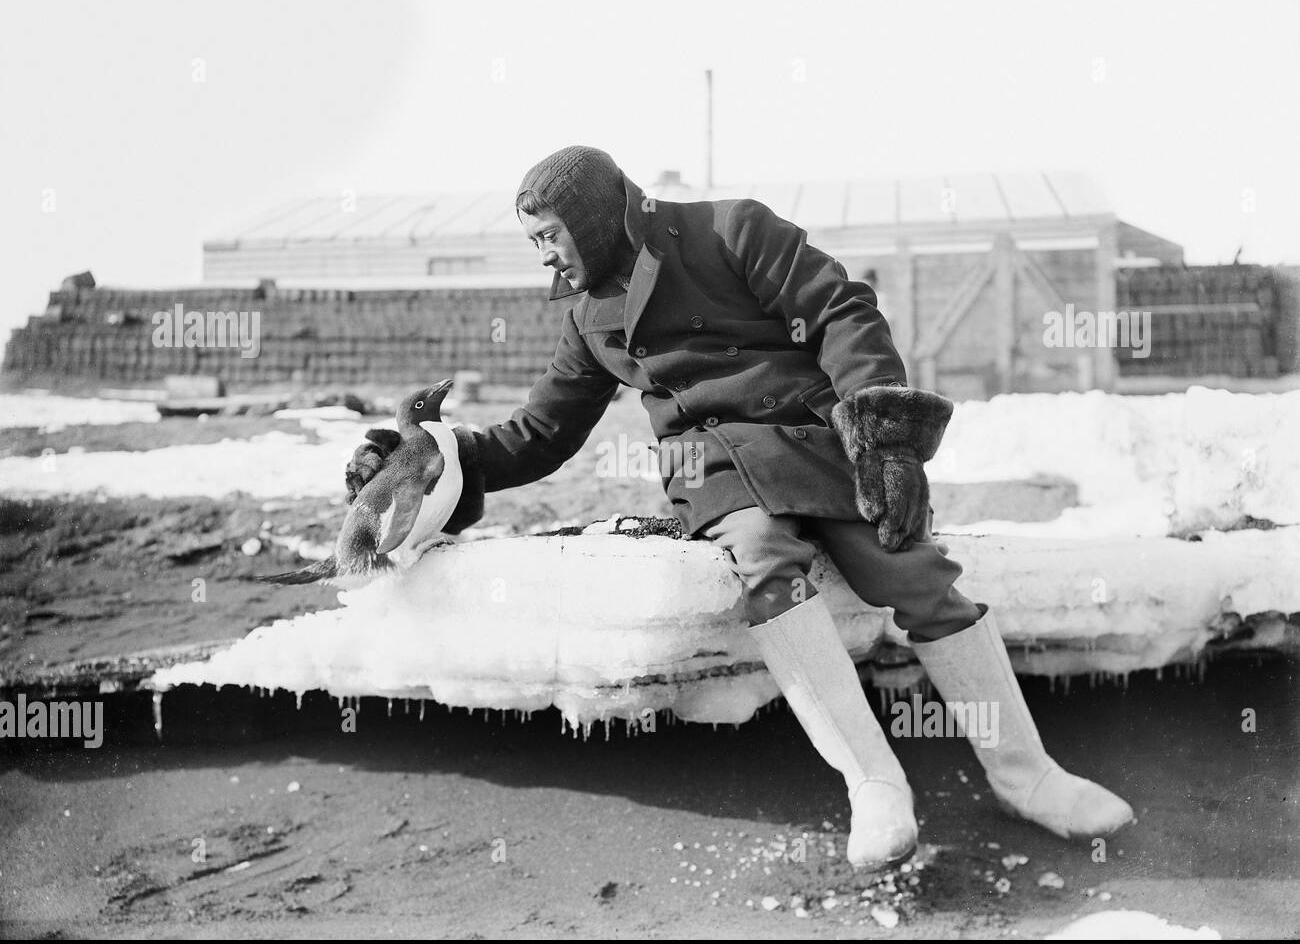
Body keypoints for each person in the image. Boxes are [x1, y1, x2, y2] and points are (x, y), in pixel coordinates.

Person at [346, 145, 1133, 871]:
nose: (545, 253)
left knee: (916, 571)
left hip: (821, 445)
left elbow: (840, 310)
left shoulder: (729, 229)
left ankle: (1029, 776)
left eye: (551, 233)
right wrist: (439, 454)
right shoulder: (587, 317)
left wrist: (883, 435)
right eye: (534, 240)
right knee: (764, 561)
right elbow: (542, 431)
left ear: (588, 217)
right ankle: (875, 785)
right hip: (717, 474)